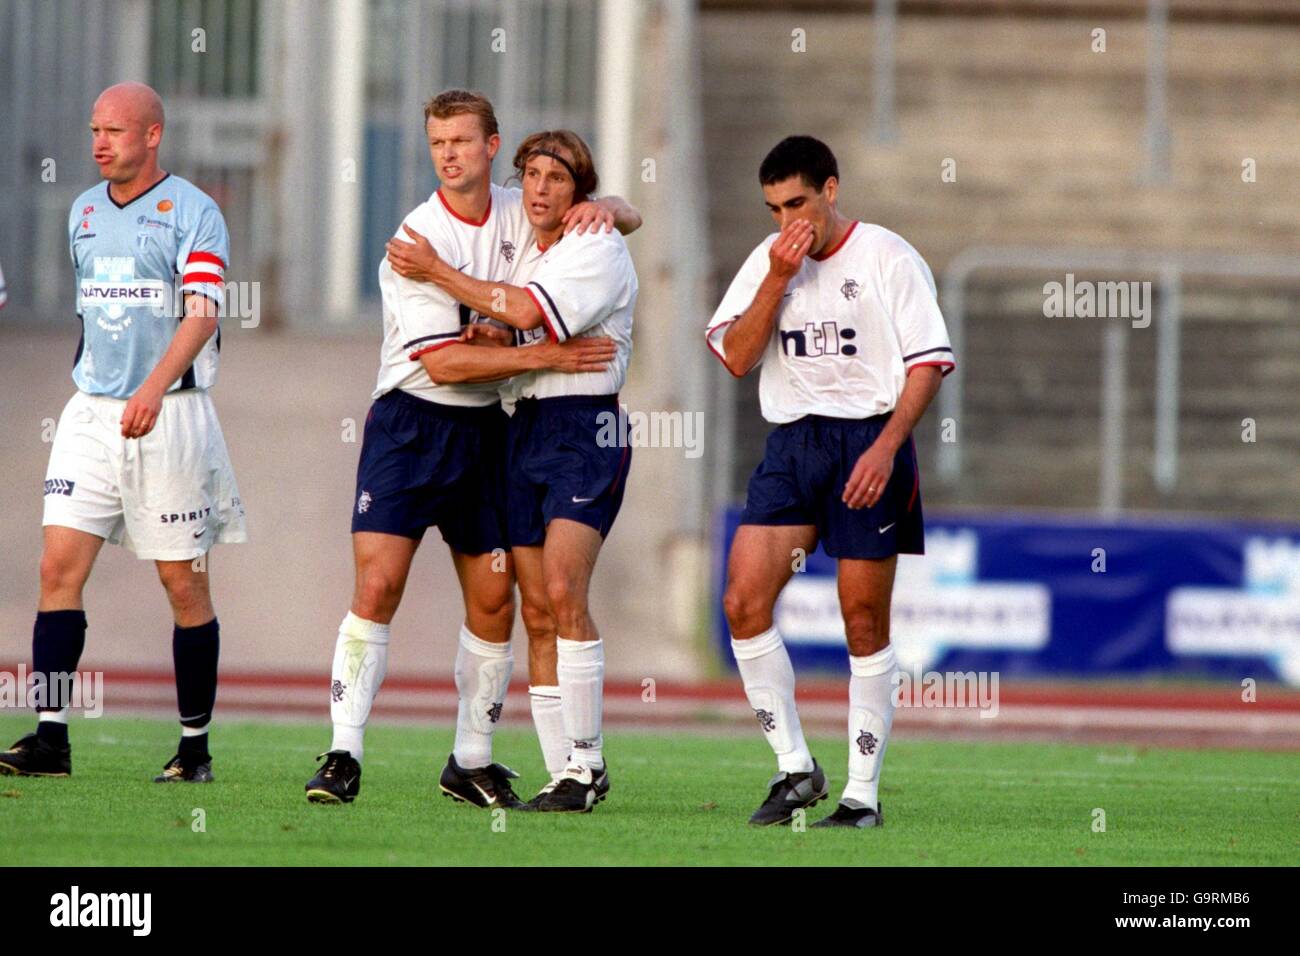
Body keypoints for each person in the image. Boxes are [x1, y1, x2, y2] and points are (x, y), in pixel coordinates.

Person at [305, 91, 639, 806]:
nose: (449, 154)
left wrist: (607, 205)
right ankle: (342, 752)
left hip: (493, 430)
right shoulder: (414, 242)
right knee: (378, 585)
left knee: (496, 601)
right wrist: (545, 357)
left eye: (462, 140)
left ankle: (471, 758)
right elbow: (445, 365)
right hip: (413, 425)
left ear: (493, 148)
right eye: (437, 143)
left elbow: (605, 209)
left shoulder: (526, 204)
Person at [705, 135, 954, 828]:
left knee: (862, 619)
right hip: (793, 445)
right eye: (774, 209)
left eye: (798, 203)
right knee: (742, 601)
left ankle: (861, 795)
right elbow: (735, 356)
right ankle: (794, 768)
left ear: (831, 190)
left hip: (867, 442)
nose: (789, 222)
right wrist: (776, 280)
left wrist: (885, 449)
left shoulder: (888, 257)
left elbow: (928, 363)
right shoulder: (769, 262)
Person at [0, 82, 246, 783]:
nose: (100, 142)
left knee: (183, 584)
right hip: (91, 412)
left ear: (152, 135)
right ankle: (51, 739)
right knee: (56, 570)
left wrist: (153, 386)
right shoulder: (80, 211)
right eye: (94, 130)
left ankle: (194, 750)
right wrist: (113, 388)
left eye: (114, 130)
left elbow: (200, 315)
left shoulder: (193, 212)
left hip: (171, 413)